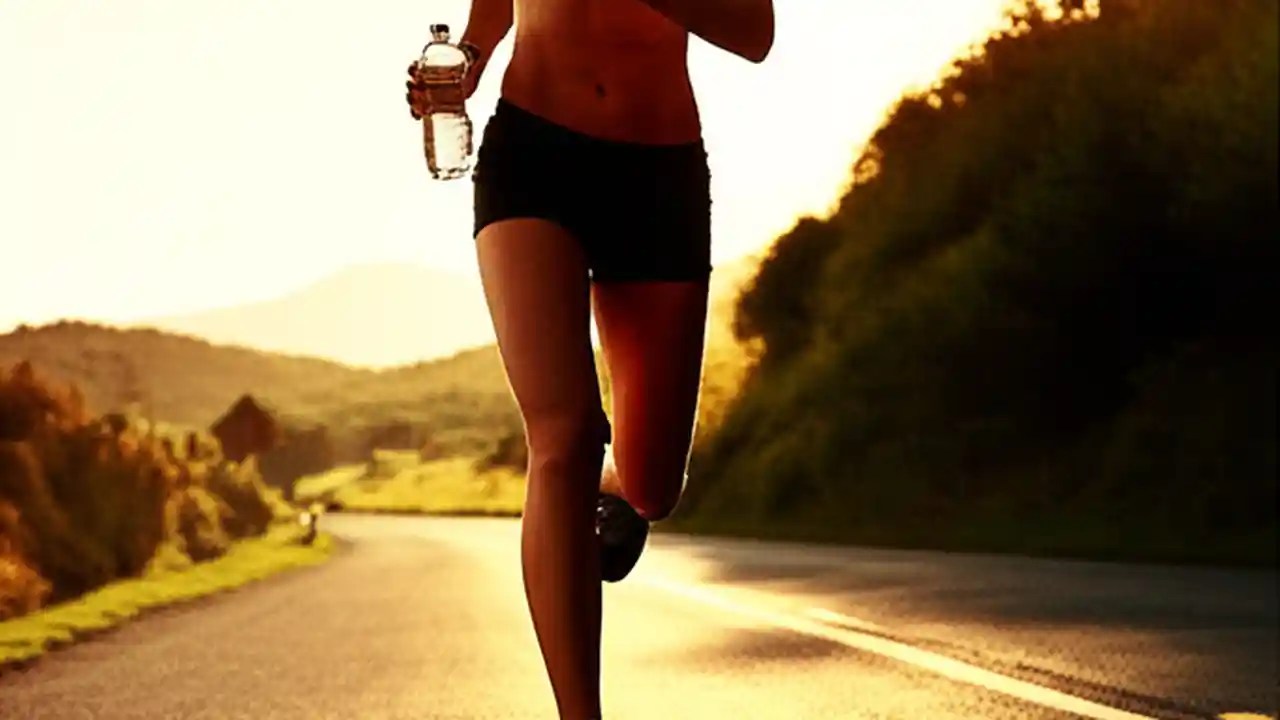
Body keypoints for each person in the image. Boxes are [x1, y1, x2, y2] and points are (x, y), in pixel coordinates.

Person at [406, 1, 773, 718]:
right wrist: (470, 60)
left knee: (653, 488)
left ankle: (610, 484)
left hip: (658, 172)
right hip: (533, 155)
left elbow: (754, 33)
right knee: (564, 432)